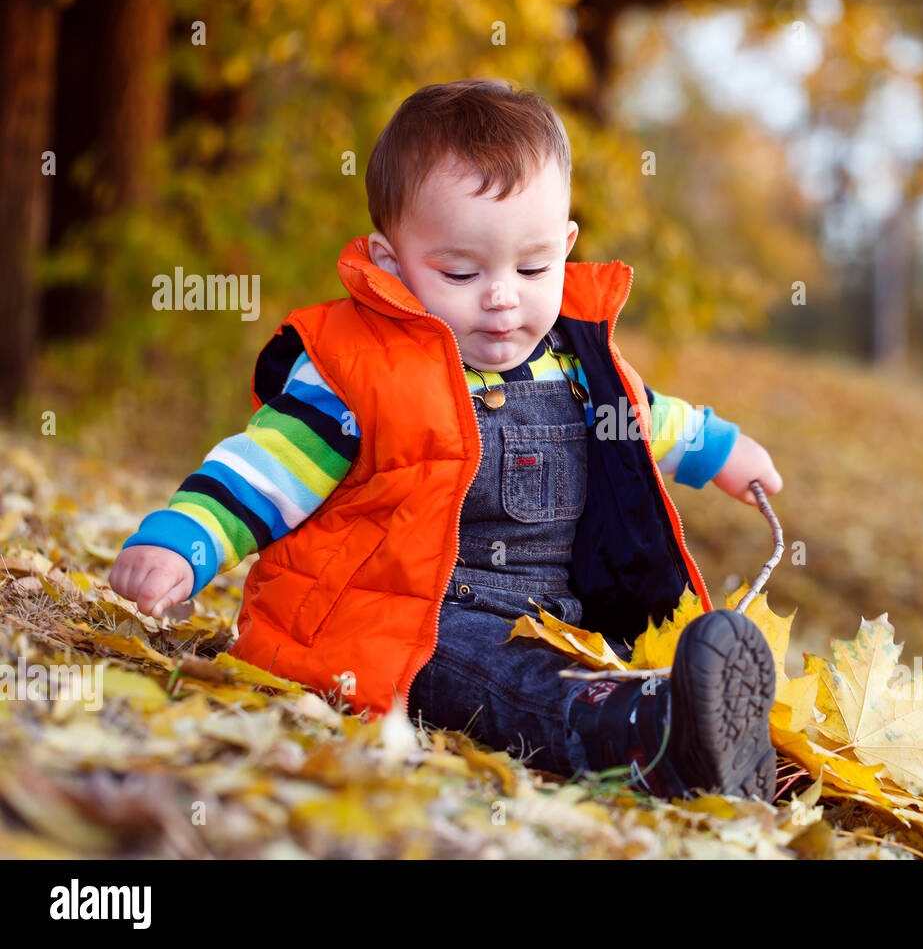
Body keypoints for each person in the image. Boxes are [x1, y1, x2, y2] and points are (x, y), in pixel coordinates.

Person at [109, 79, 783, 800]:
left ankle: (706, 730)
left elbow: (648, 420)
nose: (501, 296)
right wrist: (185, 539)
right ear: (392, 260)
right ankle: (642, 739)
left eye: (532, 268)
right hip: (415, 620)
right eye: (460, 272)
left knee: (618, 658)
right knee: (491, 674)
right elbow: (265, 468)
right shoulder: (359, 369)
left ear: (565, 245)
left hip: (560, 618)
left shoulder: (575, 360)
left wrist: (720, 452)